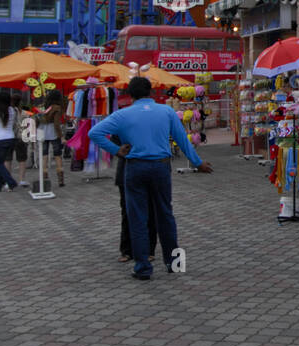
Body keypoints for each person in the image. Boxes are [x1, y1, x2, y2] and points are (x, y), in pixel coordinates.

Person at [88, 76, 212, 281]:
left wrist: (117, 150)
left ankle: (143, 267)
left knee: (138, 218)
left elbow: (95, 133)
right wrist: (198, 163)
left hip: (135, 167)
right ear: (151, 92)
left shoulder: (122, 114)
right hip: (161, 167)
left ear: (131, 94)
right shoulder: (167, 111)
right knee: (165, 214)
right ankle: (174, 263)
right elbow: (182, 139)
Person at [35, 89, 67, 188]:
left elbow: (36, 120)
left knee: (44, 155)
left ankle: (44, 177)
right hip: (53, 133)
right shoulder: (57, 108)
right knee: (57, 155)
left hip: (42, 132)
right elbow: (57, 124)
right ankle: (60, 180)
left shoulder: (42, 107)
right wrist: (61, 137)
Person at [10, 90, 31, 186]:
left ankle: (8, 180)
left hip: (9, 137)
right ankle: (22, 179)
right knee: (22, 159)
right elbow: (28, 125)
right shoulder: (24, 113)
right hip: (21, 137)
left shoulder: (8, 112)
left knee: (8, 159)